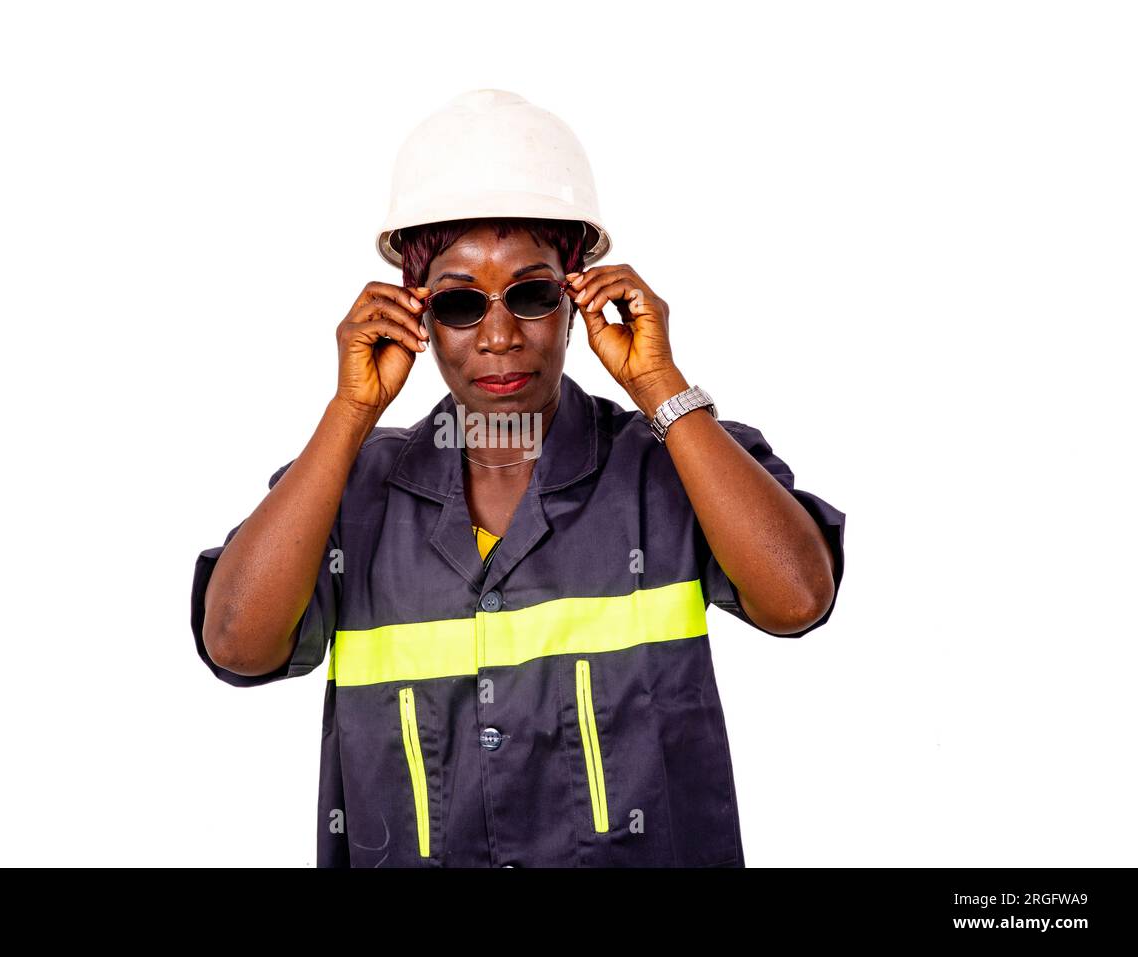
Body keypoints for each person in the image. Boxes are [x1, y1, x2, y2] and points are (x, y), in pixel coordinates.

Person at [190, 90, 846, 867]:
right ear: (416, 316)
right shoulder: (351, 494)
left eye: (532, 295)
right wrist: (350, 408)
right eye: (460, 303)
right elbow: (236, 644)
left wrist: (661, 385)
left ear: (577, 298)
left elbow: (799, 597)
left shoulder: (669, 466)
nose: (500, 335)